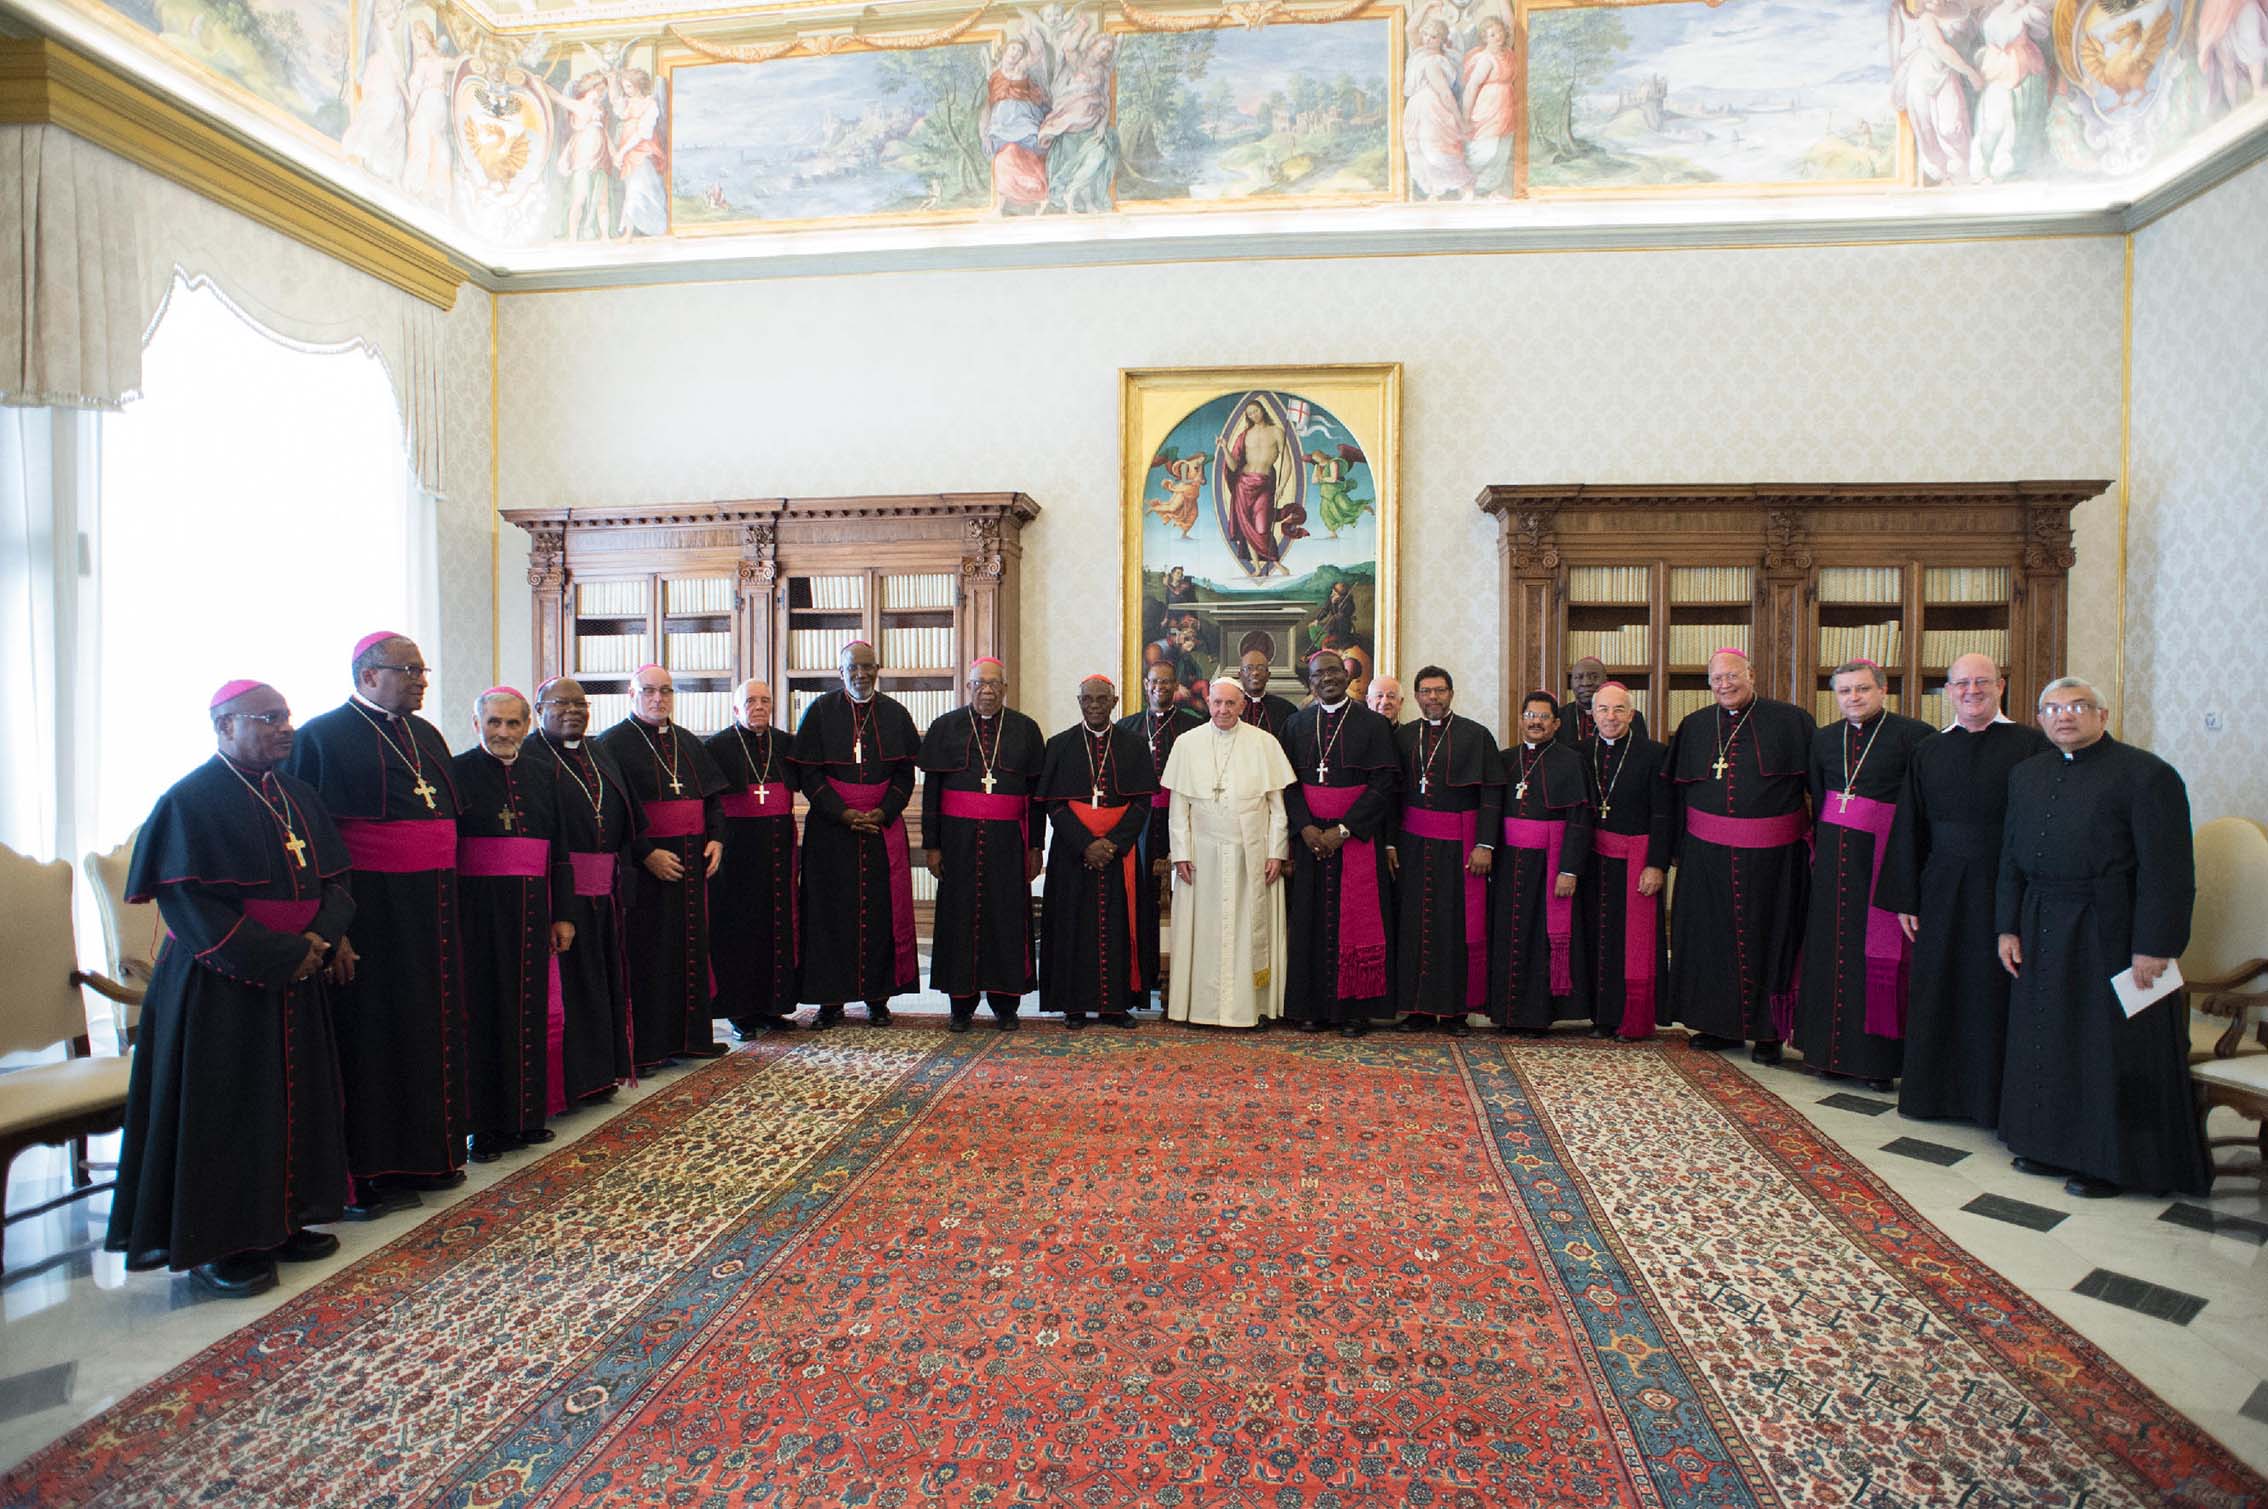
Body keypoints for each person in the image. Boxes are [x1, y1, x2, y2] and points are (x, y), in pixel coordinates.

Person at [107, 681, 355, 1297]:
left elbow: (336, 880)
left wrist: (318, 941)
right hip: (222, 985)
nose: (285, 727)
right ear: (223, 726)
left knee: (292, 1103)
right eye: (268, 718)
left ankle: (283, 1221)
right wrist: (285, 954)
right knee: (230, 1113)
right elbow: (193, 910)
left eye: (286, 717)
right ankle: (222, 1243)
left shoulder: (296, 794)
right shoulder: (191, 801)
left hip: (296, 975)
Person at [1996, 678, 2208, 1199]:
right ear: (2040, 719)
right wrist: (2007, 925)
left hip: (2111, 928)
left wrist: (2155, 946)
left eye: (2077, 707)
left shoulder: (2147, 775)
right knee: (2049, 1036)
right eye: (2051, 708)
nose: (2063, 716)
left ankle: (2112, 1163)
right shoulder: (2026, 774)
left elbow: (2168, 872)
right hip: (2042, 919)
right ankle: (2050, 1145)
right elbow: (2011, 859)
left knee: (2104, 1045)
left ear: (2103, 715)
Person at [284, 631, 464, 1217]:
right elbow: (311, 846)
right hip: (372, 915)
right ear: (367, 676)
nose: (421, 680)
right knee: (375, 1040)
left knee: (427, 1031)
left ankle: (428, 1154)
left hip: (432, 912)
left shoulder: (426, 734)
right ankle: (370, 1172)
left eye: (422, 670)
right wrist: (336, 930)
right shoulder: (321, 737)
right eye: (408, 670)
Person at [1875, 655, 2050, 1126]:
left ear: (2001, 686)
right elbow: (1911, 825)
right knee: (1939, 987)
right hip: (1943, 887)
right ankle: (1934, 1097)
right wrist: (1907, 898)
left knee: (1996, 989)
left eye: (1982, 682)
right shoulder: (1930, 750)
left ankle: (1997, 1103)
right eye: (1962, 683)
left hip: (2006, 884)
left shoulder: (2032, 745)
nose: (1971, 690)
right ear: (1948, 691)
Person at [1664, 648, 1815, 1060]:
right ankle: (1718, 1026)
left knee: (1773, 938)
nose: (1725, 685)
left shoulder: (1791, 720)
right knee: (1710, 940)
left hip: (1774, 859)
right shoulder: (1694, 726)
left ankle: (1769, 1033)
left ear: (1752, 674)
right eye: (1716, 679)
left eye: (1732, 676)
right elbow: (1677, 796)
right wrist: (1676, 848)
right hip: (1707, 857)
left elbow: (1816, 787)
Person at [1792, 661, 1934, 1091]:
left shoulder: (1914, 736)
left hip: (1884, 861)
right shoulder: (1824, 739)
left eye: (1862, 689)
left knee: (1878, 959)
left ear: (1883, 689)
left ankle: (1875, 1063)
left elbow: (1918, 807)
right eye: (1844, 691)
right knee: (1829, 954)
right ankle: (1824, 1053)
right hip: (1834, 864)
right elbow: (1819, 796)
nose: (1853, 698)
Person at [452, 687, 568, 1163]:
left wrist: (563, 915)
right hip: (477, 913)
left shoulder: (543, 772)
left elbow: (558, 849)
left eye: (513, 723)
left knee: (528, 1011)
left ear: (526, 725)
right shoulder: (456, 773)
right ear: (477, 724)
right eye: (494, 723)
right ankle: (483, 1128)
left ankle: (526, 1116)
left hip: (533, 910)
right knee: (482, 1015)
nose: (503, 732)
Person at [597, 664, 728, 1067]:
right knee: (650, 955)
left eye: (666, 691)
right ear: (631, 695)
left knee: (691, 950)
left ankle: (691, 1039)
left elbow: (713, 801)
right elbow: (613, 813)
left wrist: (717, 838)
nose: (658, 699)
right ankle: (649, 1049)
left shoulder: (689, 742)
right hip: (646, 870)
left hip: (692, 864)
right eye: (650, 691)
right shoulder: (611, 744)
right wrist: (645, 853)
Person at [792, 639, 921, 1027]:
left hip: (881, 825)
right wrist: (843, 813)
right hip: (832, 830)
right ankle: (830, 1000)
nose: (861, 675)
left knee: (881, 911)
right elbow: (808, 774)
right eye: (853, 668)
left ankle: (878, 998)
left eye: (868, 667)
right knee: (828, 913)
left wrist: (884, 811)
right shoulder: (819, 711)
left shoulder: (895, 714)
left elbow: (904, 774)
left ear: (878, 668)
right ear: (841, 671)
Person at [1161, 678, 1296, 1028]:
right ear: (1208, 703)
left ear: (1242, 706)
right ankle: (1199, 1008)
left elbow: (1277, 807)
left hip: (1250, 855)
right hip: (1201, 855)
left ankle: (1251, 1007)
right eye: (1217, 703)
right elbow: (1179, 808)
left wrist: (1276, 852)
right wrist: (1180, 853)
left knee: (1248, 931)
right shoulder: (1187, 744)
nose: (1223, 710)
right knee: (1202, 933)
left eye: (1230, 704)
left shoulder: (1264, 744)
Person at [919, 658, 1045, 1030]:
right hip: (957, 843)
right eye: (979, 684)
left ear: (1005, 688)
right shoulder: (945, 728)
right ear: (969, 687)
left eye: (994, 684)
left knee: (1006, 919)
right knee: (959, 918)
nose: (987, 690)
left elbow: (1035, 796)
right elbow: (932, 793)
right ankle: (961, 1005)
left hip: (1009, 843)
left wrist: (1035, 846)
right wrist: (932, 845)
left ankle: (1006, 1005)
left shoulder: (1025, 729)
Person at [528, 678, 635, 1106]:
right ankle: (568, 1083)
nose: (573, 710)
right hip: (562, 892)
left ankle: (599, 1076)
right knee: (568, 991)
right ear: (540, 708)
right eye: (561, 703)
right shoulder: (531, 758)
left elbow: (628, 819)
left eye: (580, 703)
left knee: (599, 984)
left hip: (604, 890)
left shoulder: (600, 751)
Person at [1282, 650, 1399, 1038]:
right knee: (1308, 923)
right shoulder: (1296, 724)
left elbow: (1384, 785)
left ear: (1347, 676)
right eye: (1319, 674)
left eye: (1334, 672)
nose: (1327, 679)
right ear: (1309, 681)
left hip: (1356, 840)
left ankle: (1354, 1012)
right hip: (1310, 840)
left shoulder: (1372, 724)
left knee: (1356, 922)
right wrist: (1305, 828)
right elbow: (1287, 784)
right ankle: (1310, 1008)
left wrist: (1344, 829)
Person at [1038, 675, 1158, 1030]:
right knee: (1071, 925)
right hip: (1073, 852)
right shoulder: (1059, 745)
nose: (1094, 705)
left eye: (1101, 699)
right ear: (1079, 702)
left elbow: (1141, 803)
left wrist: (1115, 843)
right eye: (1087, 699)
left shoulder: (1133, 745)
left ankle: (1116, 1006)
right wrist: (1085, 844)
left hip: (1117, 853)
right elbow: (1054, 805)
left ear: (1114, 701)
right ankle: (1073, 1005)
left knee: (1120, 928)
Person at [1390, 666, 1505, 1037]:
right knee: (1414, 926)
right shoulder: (1404, 737)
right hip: (1412, 845)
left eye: (1440, 691)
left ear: (1451, 694)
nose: (1433, 698)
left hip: (1459, 847)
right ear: (1417, 696)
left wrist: (1484, 844)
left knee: (1453, 925)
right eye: (1426, 691)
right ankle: (1418, 1009)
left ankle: (1455, 1012)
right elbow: (1392, 796)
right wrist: (1390, 842)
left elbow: (1490, 795)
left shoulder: (1476, 735)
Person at [1492, 692, 1593, 1035]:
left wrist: (1569, 869)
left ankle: (1536, 1016)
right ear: (1520, 719)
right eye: (1530, 715)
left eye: (1543, 717)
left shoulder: (1569, 761)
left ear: (1556, 723)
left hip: (1549, 863)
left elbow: (1579, 818)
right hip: (1509, 864)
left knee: (1539, 938)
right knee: (1508, 934)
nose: (1536, 722)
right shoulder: (1505, 759)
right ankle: (1506, 1012)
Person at [1577, 682, 1673, 1040]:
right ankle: (1601, 1016)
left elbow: (1663, 814)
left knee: (1632, 941)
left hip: (1636, 862)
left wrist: (1656, 864)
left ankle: (1633, 1017)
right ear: (1592, 715)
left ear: (1631, 715)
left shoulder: (1653, 754)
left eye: (1618, 710)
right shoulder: (1580, 752)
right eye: (1603, 710)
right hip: (1594, 861)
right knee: (1597, 937)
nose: (1611, 717)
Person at [706, 679, 799, 1038]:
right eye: (750, 701)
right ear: (735, 709)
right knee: (738, 929)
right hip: (737, 851)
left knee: (776, 925)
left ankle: (771, 1007)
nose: (758, 706)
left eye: (765, 700)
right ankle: (739, 1011)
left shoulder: (786, 744)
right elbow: (712, 803)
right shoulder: (717, 747)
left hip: (778, 848)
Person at [1119, 660, 1205, 1009]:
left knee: (1182, 895)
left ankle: (1183, 972)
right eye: (1154, 682)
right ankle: (1143, 974)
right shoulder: (1127, 727)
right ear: (1145, 684)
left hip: (1182, 819)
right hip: (1138, 821)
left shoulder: (1193, 727)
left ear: (1176, 687)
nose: (1160, 688)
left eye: (1167, 682)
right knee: (1140, 896)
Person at [1557, 656, 1648, 749]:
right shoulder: (1559, 717)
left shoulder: (1632, 717)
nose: (1586, 683)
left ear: (1605, 681)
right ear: (1571, 682)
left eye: (1594, 677)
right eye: (1578, 677)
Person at [1235, 648, 1300, 753]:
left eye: (1260, 668)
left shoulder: (1286, 709)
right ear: (1240, 675)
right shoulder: (1231, 708)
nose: (1255, 672)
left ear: (1268, 675)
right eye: (1248, 668)